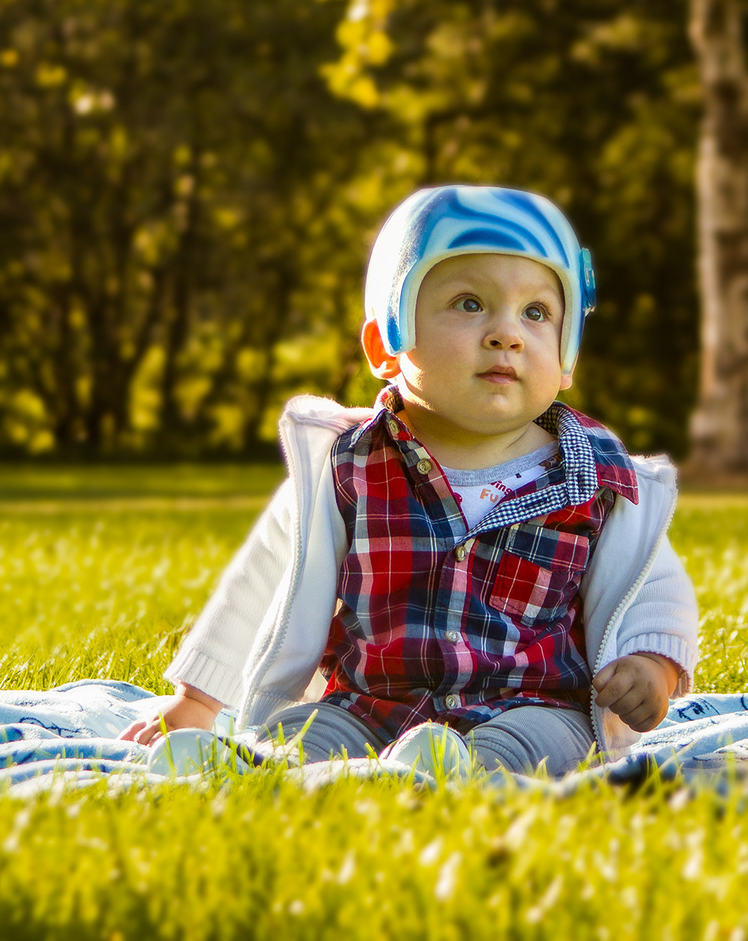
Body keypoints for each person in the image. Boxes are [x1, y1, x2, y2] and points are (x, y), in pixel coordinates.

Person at [121, 185, 698, 776]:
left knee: (536, 742)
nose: (507, 333)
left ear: (567, 351)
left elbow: (652, 584)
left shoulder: (596, 481)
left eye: (537, 312)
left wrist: (654, 664)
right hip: (369, 702)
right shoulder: (348, 464)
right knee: (302, 735)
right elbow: (265, 577)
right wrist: (198, 700)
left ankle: (473, 772)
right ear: (387, 339)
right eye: (470, 304)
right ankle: (258, 769)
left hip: (532, 701)